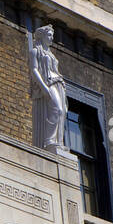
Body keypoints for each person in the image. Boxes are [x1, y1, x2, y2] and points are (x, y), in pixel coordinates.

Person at [29, 24, 69, 153]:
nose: (52, 38)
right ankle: (48, 141)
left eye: (52, 36)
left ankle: (58, 141)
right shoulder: (35, 51)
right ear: (42, 36)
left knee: (62, 111)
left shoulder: (51, 55)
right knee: (56, 109)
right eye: (49, 35)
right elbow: (34, 70)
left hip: (59, 83)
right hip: (49, 83)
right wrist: (43, 87)